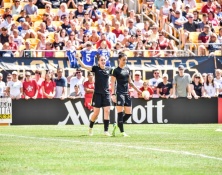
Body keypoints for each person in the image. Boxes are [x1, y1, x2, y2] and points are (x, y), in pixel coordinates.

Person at [76, 55, 113, 136]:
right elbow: (84, 66)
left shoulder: (109, 69)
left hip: (106, 94)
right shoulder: (96, 68)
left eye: (104, 60)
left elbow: (115, 76)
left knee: (107, 111)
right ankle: (90, 127)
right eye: (102, 60)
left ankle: (106, 131)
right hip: (97, 94)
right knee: (96, 113)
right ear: (98, 62)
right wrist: (78, 59)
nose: (103, 61)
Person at [111, 52, 142, 137]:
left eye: (126, 60)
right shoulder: (115, 70)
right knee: (120, 113)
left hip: (126, 93)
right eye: (123, 60)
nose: (125, 61)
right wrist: (113, 94)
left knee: (129, 113)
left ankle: (116, 125)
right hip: (119, 93)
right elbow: (112, 83)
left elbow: (130, 82)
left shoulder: (127, 69)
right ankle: (122, 132)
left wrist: (137, 90)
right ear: (119, 59)